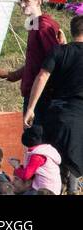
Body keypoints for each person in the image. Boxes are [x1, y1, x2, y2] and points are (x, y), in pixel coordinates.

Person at [23, 12, 83, 192]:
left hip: (54, 114)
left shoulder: (58, 51)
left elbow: (42, 77)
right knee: (74, 161)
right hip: (79, 115)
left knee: (53, 160)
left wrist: (31, 108)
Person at [0, 0, 62, 111]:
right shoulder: (35, 24)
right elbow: (37, 60)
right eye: (21, 1)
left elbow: (54, 60)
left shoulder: (43, 26)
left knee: (34, 131)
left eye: (26, 1)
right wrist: (12, 74)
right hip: (35, 93)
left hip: (40, 96)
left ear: (38, 1)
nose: (22, 5)